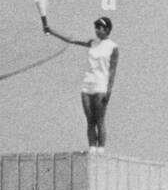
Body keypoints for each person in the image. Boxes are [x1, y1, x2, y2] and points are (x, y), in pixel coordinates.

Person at [44, 15, 118, 151]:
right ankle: (92, 148)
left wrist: (109, 91)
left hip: (101, 86)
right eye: (96, 27)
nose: (96, 30)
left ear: (107, 29)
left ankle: (100, 150)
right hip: (87, 84)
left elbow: (112, 71)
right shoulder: (92, 43)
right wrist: (51, 30)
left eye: (99, 27)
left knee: (100, 120)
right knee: (90, 120)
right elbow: (71, 40)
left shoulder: (113, 47)